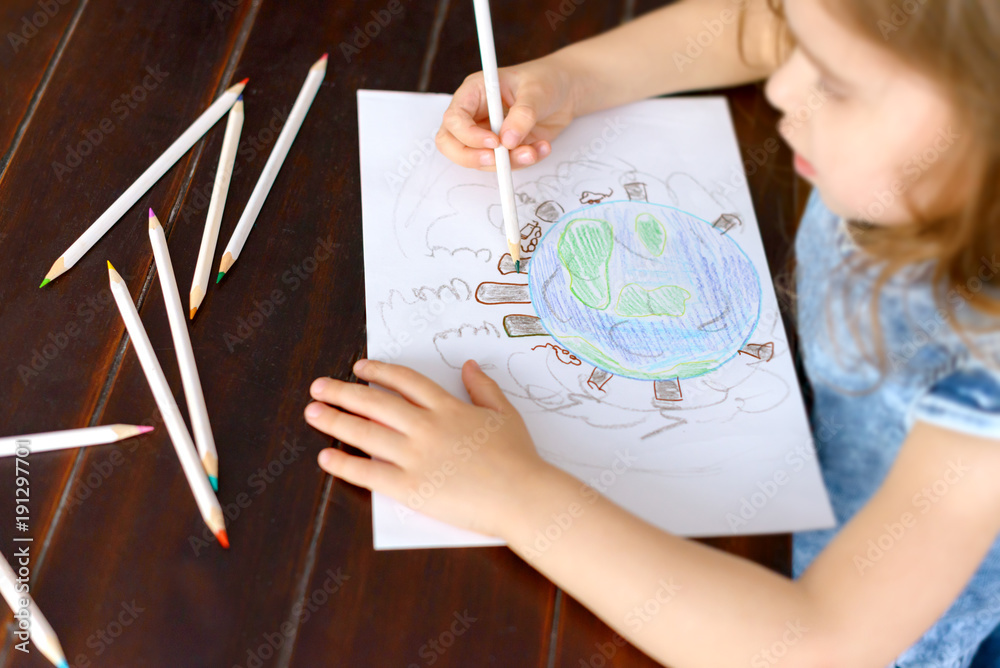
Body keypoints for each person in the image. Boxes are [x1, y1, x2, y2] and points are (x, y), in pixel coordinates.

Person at [304, 0, 1000, 664]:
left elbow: (814, 643)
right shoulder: (920, 142)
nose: (785, 85)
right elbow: (754, 26)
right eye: (802, 39)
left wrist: (514, 493)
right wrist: (576, 79)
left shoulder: (986, 383)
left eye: (839, 84)